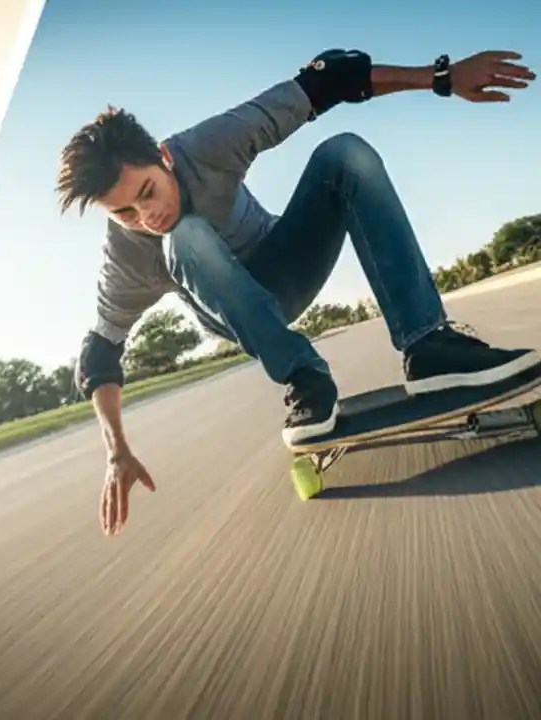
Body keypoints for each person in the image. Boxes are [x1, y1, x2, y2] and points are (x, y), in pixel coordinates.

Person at [54, 48, 538, 536]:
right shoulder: (125, 256)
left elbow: (326, 83)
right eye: (124, 214)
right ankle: (305, 380)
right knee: (185, 236)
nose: (146, 218)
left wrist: (441, 78)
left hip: (289, 265)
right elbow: (100, 353)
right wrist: (116, 449)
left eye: (147, 193)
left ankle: (429, 345)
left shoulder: (209, 146)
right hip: (233, 314)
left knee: (344, 153)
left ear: (163, 157)